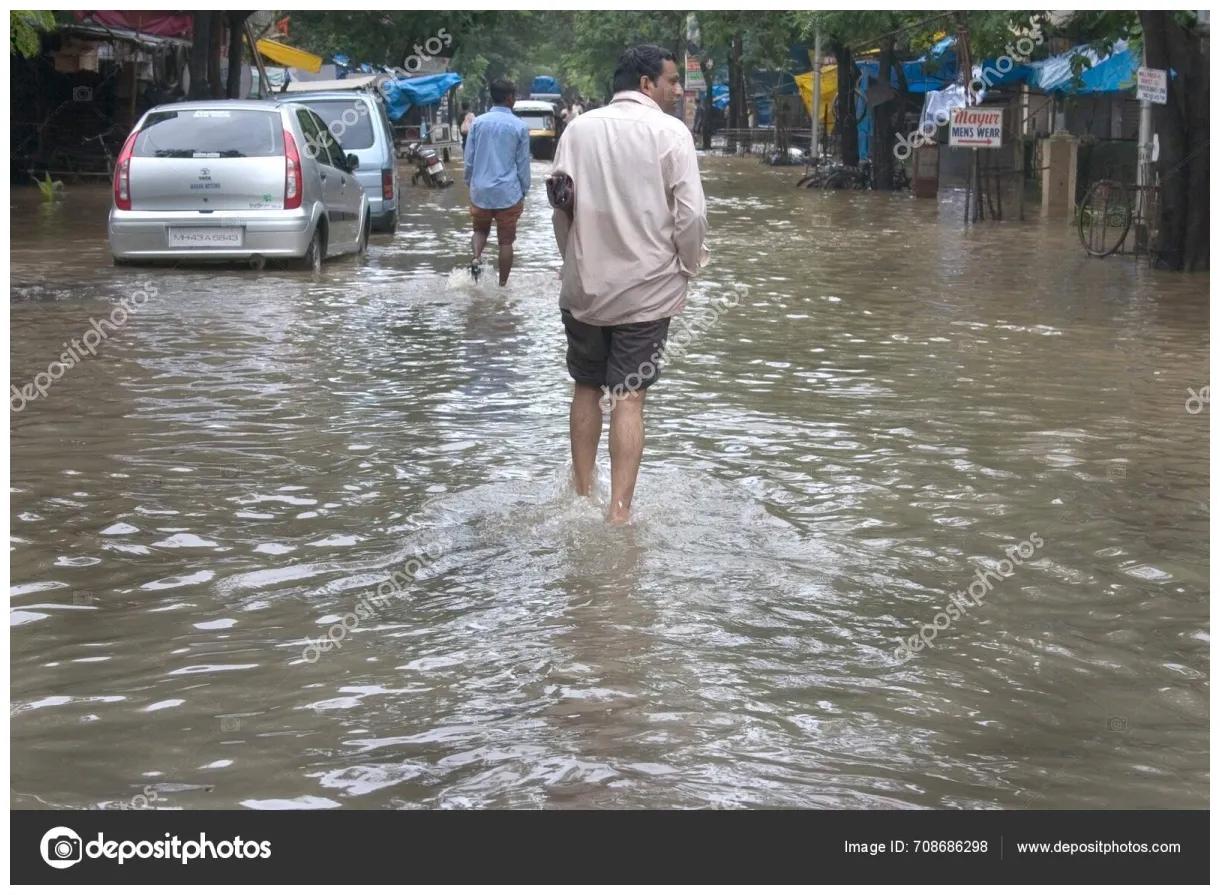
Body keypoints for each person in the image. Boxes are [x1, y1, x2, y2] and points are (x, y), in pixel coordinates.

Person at [549, 44, 709, 525]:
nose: (678, 89)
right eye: (672, 80)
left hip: (585, 290)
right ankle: (619, 511)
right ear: (646, 84)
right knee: (629, 397)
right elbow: (692, 214)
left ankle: (582, 497)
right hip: (647, 292)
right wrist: (689, 264)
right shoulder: (671, 133)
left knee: (585, 386)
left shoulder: (577, 131)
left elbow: (561, 205)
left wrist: (573, 260)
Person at [463, 78, 531, 286]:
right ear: (510, 98)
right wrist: (523, 190)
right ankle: (502, 287)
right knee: (506, 241)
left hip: (481, 191)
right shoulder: (519, 127)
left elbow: (469, 159)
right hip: (508, 194)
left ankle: (476, 257)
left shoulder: (478, 123)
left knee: (480, 230)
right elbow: (522, 165)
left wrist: (471, 183)